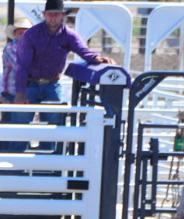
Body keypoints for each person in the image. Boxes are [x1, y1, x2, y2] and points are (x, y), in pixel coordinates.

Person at [14, 0, 115, 153]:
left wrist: (95, 58)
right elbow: (22, 65)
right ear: (44, 15)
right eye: (50, 14)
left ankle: (49, 162)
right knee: (21, 123)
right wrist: (20, 93)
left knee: (54, 124)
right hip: (31, 84)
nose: (53, 17)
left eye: (56, 14)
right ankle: (17, 161)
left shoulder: (68, 35)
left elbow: (82, 50)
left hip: (52, 83)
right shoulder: (31, 34)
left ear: (62, 16)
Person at [0, 18, 32, 153]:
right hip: (12, 92)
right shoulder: (11, 47)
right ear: (15, 34)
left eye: (26, 32)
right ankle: (7, 155)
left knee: (17, 126)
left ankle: (14, 155)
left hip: (21, 91)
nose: (23, 35)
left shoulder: (29, 48)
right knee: (10, 126)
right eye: (20, 32)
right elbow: (21, 66)